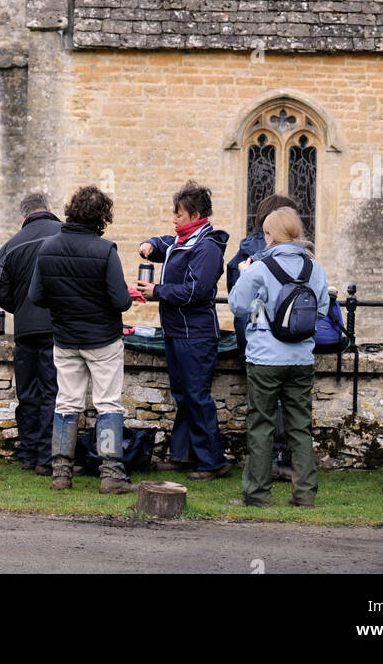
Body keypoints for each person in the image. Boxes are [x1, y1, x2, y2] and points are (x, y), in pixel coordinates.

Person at [28, 184, 134, 494]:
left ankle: (61, 472)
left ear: (71, 211)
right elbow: (121, 301)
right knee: (108, 404)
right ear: (102, 217)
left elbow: (36, 296)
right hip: (103, 339)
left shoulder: (47, 248)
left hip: (65, 337)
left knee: (67, 404)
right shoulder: (105, 250)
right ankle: (111, 473)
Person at [228, 206, 330, 507]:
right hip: (301, 358)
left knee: (261, 426)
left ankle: (257, 495)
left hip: (265, 359)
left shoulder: (259, 268)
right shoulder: (315, 268)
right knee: (301, 426)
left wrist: (245, 277)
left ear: (269, 236)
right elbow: (321, 311)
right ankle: (304, 495)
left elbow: (238, 305)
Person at [137, 180, 230, 480]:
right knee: (183, 394)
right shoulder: (184, 239)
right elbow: (166, 243)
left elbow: (196, 291)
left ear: (195, 214)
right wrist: (151, 245)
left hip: (196, 335)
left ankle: (213, 461)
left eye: (179, 213)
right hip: (177, 331)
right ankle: (183, 455)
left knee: (197, 395)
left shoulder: (207, 247)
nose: (173, 218)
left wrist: (157, 291)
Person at [226, 193, 300, 481]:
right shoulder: (274, 251)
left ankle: (269, 462)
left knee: (264, 404)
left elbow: (236, 297)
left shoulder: (244, 250)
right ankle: (281, 460)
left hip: (254, 337)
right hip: (278, 337)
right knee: (283, 402)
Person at [0, 191, 62, 474]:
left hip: (24, 329)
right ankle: (47, 459)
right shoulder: (63, 235)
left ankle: (28, 453)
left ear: (24, 216)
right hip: (57, 327)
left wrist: (21, 307)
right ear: (48, 208)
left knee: (28, 393)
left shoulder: (10, 246)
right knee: (52, 392)